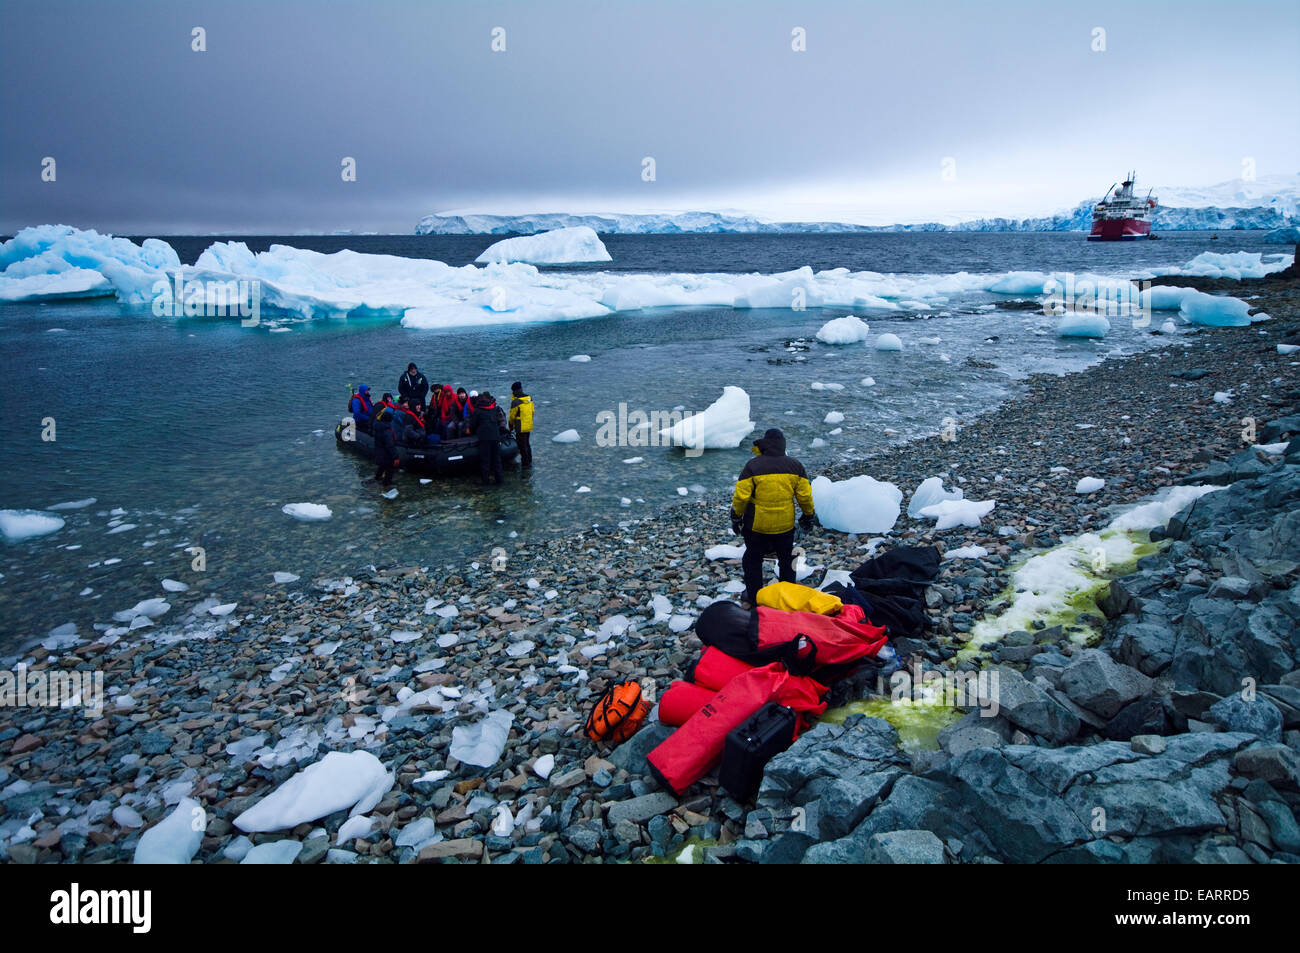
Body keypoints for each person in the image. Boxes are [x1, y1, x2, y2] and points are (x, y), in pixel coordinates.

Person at [730, 428, 816, 605]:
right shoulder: (796, 466)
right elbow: (805, 496)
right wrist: (809, 515)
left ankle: (754, 597)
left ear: (765, 444)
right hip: (784, 525)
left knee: (752, 559)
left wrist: (736, 516)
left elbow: (741, 496)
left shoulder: (753, 466)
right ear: (783, 444)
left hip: (756, 525)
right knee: (787, 558)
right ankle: (786, 595)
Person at [469, 391, 505, 485]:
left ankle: (485, 482)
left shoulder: (477, 410)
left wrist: (471, 431)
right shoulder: (494, 408)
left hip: (484, 438)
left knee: (485, 460)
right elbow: (499, 422)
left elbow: (473, 424)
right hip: (495, 436)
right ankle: (499, 481)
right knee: (497, 460)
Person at [372, 404, 401, 488]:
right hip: (386, 454)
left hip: (380, 451)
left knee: (382, 466)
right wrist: (396, 457)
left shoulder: (378, 427)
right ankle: (386, 483)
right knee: (390, 469)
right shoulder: (387, 431)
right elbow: (390, 445)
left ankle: (377, 478)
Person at [508, 381, 534, 468]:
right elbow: (532, 412)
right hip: (528, 425)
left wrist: (510, 425)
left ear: (515, 391)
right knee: (527, 444)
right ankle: (530, 461)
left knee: (522, 446)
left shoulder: (516, 402)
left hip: (520, 427)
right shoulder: (529, 399)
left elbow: (512, 416)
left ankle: (525, 465)